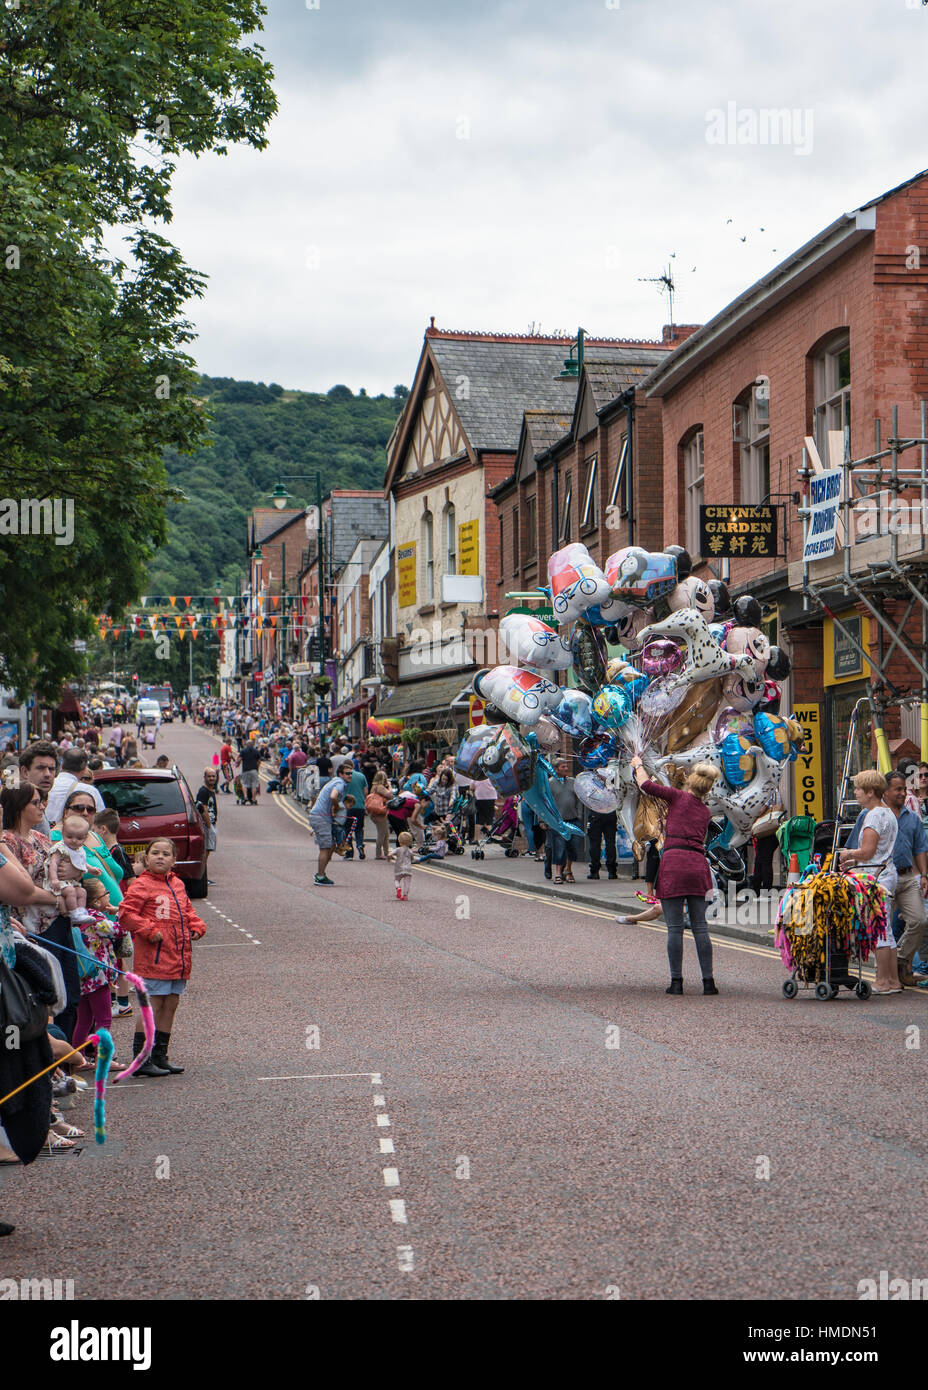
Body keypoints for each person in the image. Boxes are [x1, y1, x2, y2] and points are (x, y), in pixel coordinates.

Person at [631, 755, 720, 995]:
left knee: (674, 928)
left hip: (674, 863)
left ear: (690, 781)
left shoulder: (677, 797)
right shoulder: (704, 811)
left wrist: (638, 764)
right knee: (701, 927)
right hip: (697, 865)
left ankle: (676, 982)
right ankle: (709, 983)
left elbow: (646, 786)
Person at [118, 838, 207, 1075]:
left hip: (178, 956)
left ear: (173, 860)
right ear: (146, 859)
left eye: (165, 853)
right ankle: (141, 1059)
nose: (160, 857)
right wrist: (149, 929)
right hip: (153, 958)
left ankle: (159, 1055)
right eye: (155, 853)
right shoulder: (141, 885)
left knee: (171, 1003)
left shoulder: (177, 884)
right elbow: (126, 914)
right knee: (153, 1005)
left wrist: (197, 924)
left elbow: (187, 910)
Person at [839, 769, 901, 994]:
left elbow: (867, 851)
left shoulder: (873, 815)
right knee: (888, 930)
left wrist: (848, 854)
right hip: (886, 872)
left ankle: (882, 982)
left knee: (880, 930)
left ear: (870, 792)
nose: (855, 792)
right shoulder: (888, 813)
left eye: (858, 789)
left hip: (875, 878)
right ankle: (893, 981)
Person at [47, 814, 101, 922]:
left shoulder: (79, 849)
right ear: (62, 834)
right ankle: (74, 913)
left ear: (85, 838)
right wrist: (54, 879)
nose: (74, 841)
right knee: (71, 892)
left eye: (79, 838)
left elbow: (81, 862)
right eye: (69, 836)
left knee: (82, 892)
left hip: (70, 882)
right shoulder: (60, 848)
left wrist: (91, 869)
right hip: (58, 883)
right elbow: (53, 863)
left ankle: (81, 912)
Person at [546, 760, 582, 885]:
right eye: (563, 766)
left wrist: (579, 815)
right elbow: (546, 803)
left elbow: (579, 800)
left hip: (573, 820)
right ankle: (558, 874)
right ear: (556, 769)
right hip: (557, 821)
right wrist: (543, 820)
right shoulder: (550, 783)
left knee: (572, 847)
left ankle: (568, 870)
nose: (566, 768)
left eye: (567, 766)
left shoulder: (573, 782)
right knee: (559, 847)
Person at [309, 772, 348, 886]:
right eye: (347, 773)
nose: (350, 775)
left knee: (331, 846)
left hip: (321, 817)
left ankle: (321, 874)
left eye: (351, 773)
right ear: (341, 774)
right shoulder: (340, 783)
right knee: (325, 848)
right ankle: (320, 876)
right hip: (322, 817)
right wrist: (337, 806)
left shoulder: (335, 781)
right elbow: (332, 796)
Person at [46, 749, 104, 824]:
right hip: (74, 834)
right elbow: (101, 821)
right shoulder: (90, 791)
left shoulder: (46, 786)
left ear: (61, 765)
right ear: (84, 769)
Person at [18, 740, 60, 835]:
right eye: (40, 768)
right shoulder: (15, 807)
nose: (47, 774)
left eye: (51, 769)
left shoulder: (39, 803)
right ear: (25, 772)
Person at [195, 768, 219, 885]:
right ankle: (203, 877)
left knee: (208, 851)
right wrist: (209, 826)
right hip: (206, 825)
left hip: (211, 824)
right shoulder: (203, 791)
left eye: (213, 776)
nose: (211, 778)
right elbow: (203, 809)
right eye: (209, 776)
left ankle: (204, 876)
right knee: (205, 852)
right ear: (204, 777)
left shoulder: (211, 791)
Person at [342, 761, 370, 859]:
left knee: (347, 829)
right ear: (353, 766)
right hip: (360, 806)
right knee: (359, 828)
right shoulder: (361, 776)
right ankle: (360, 845)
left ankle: (349, 853)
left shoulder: (344, 777)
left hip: (348, 807)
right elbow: (366, 791)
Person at [587, 807, 618, 881]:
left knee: (595, 843)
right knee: (610, 843)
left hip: (596, 813)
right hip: (610, 812)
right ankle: (612, 871)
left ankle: (595, 871)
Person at [235, 736, 262, 806]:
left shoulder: (243, 751)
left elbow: (239, 759)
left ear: (246, 745)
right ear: (252, 744)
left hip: (245, 770)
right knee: (254, 785)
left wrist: (237, 763)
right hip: (254, 770)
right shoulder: (256, 751)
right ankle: (253, 799)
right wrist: (257, 768)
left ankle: (245, 797)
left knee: (244, 784)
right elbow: (259, 761)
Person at [390, 831, 414, 900]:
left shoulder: (398, 849)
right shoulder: (410, 851)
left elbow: (390, 854)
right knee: (407, 883)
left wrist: (390, 857)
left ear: (399, 841)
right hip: (408, 869)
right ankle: (405, 896)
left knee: (396, 880)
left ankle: (398, 888)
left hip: (399, 868)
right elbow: (412, 859)